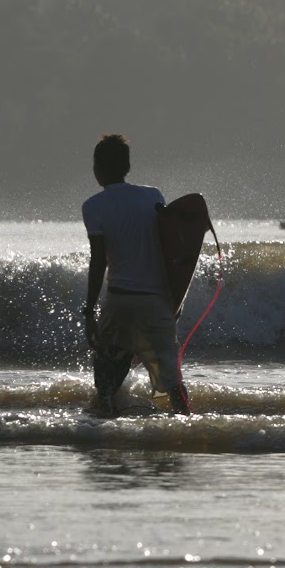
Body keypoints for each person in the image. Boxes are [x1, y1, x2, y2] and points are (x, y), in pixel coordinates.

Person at [81, 134, 191, 416]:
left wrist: (90, 311)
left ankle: (104, 432)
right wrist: (174, 300)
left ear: (97, 168)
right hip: (155, 301)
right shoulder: (153, 196)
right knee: (173, 379)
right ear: (126, 166)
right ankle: (188, 426)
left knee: (106, 379)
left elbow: (98, 261)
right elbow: (170, 250)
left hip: (118, 302)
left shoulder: (93, 206)